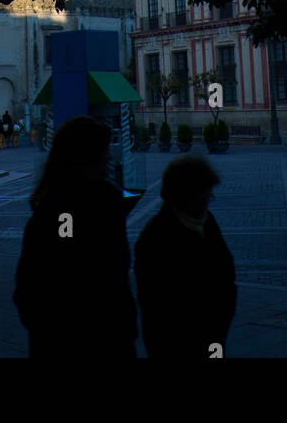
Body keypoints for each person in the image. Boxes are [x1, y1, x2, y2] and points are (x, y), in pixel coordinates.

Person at [13, 115, 137, 358]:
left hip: (60, 339)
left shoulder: (52, 203)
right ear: (87, 155)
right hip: (100, 338)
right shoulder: (95, 203)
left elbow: (28, 285)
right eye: (104, 149)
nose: (109, 156)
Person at [134, 154, 236, 358]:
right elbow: (157, 309)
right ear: (185, 195)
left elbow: (226, 274)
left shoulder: (207, 221)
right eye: (204, 196)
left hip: (214, 337)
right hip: (178, 344)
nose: (208, 201)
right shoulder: (155, 239)